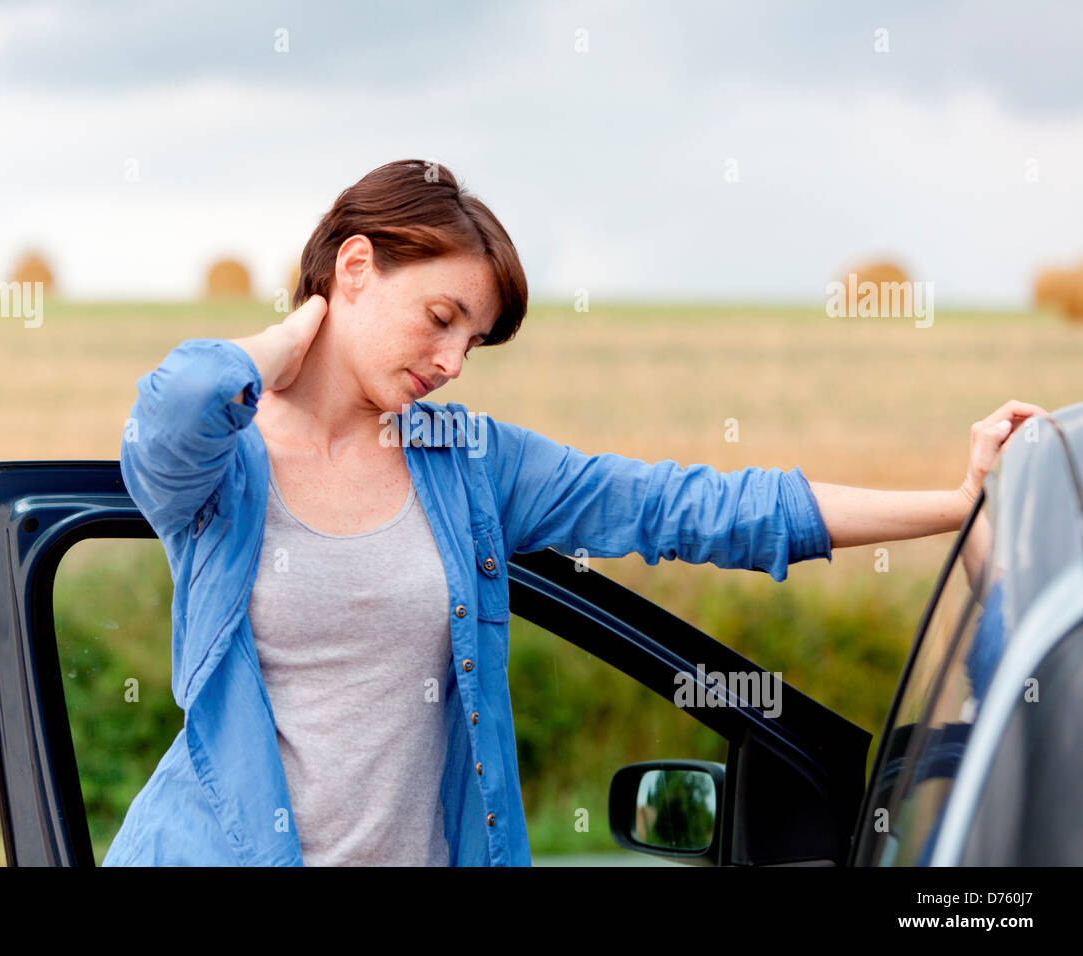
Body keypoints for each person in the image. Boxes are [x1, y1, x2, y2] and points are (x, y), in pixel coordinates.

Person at [102, 158, 1047, 866]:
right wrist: (283, 341)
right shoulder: (222, 469)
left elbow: (690, 508)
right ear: (356, 266)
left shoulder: (467, 461)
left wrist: (955, 505)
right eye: (441, 318)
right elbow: (174, 408)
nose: (453, 363)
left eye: (474, 340)